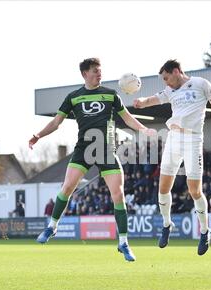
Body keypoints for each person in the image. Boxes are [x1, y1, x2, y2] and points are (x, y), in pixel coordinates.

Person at [29, 58, 155, 262]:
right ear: (84, 74)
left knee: (118, 194)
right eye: (95, 71)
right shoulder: (73, 97)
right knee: (68, 186)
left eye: (100, 71)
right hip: (84, 149)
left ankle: (123, 243)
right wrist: (38, 135)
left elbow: (127, 117)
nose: (99, 74)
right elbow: (56, 122)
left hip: (106, 149)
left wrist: (143, 129)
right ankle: (52, 227)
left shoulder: (111, 94)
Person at [134, 59, 211, 255]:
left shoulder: (201, 84)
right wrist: (141, 102)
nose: (165, 83)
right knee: (163, 188)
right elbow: (152, 99)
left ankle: (204, 231)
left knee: (194, 191)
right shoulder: (170, 91)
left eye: (167, 78)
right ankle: (167, 225)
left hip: (193, 140)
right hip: (174, 138)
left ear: (176, 72)